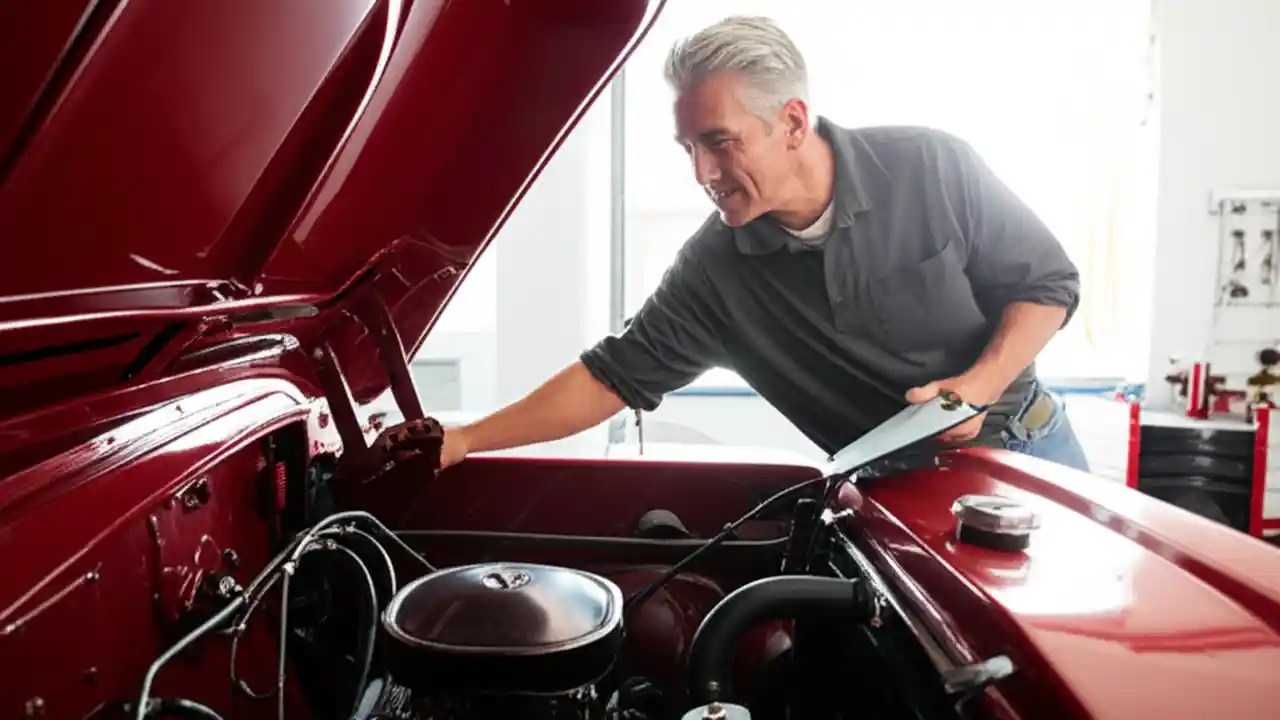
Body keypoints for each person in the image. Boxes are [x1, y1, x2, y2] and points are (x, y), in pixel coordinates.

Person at [438, 15, 1090, 473]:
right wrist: (467, 439)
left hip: (1026, 454)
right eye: (689, 148)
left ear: (793, 123)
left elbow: (1046, 284)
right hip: (890, 493)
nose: (701, 174)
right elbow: (613, 375)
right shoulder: (712, 269)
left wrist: (977, 385)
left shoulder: (931, 166)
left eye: (720, 143)